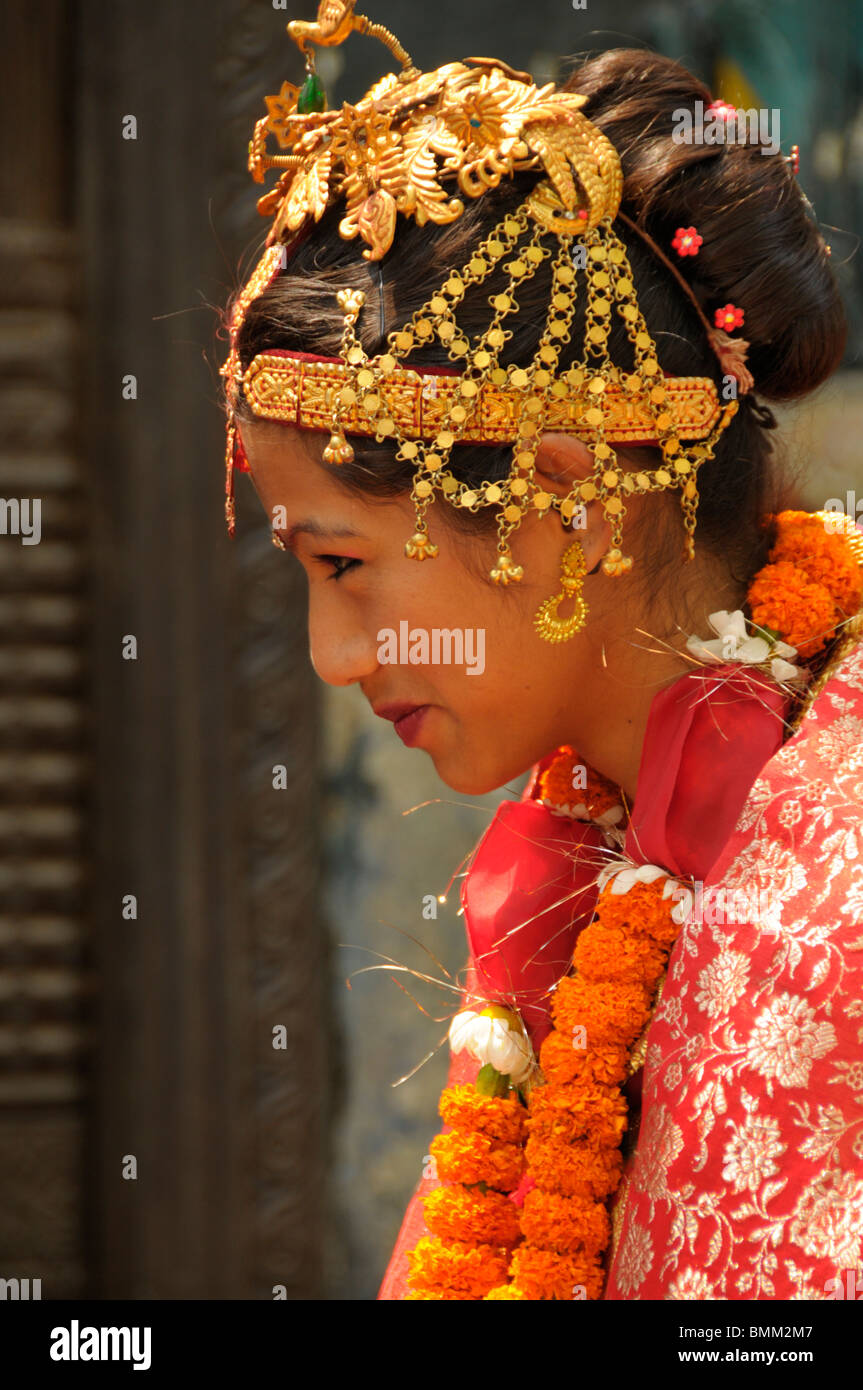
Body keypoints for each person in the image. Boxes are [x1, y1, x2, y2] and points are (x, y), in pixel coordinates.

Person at [220, 1, 863, 1299]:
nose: (332, 653)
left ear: (568, 503)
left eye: (344, 565)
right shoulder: (588, 828)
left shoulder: (828, 895)